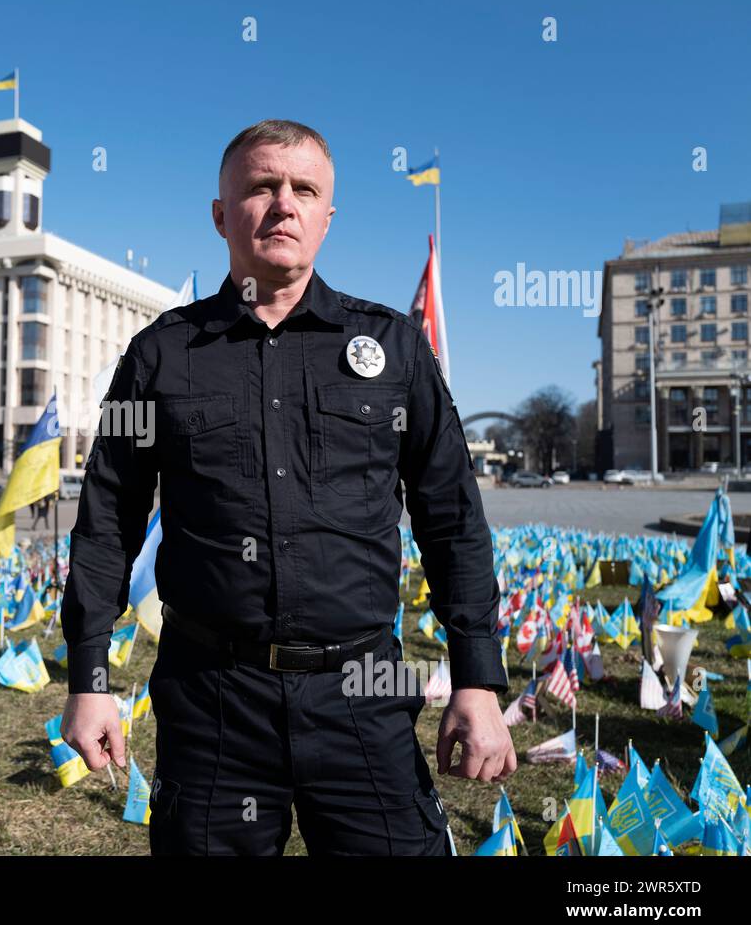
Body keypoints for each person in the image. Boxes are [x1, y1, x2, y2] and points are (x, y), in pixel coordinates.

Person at [60, 120, 515, 856]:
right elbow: (108, 518)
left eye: (304, 190)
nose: (284, 205)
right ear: (220, 213)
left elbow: (453, 518)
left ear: (327, 216)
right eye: (261, 187)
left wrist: (477, 680)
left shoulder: (395, 347)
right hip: (211, 697)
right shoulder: (156, 358)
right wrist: (89, 678)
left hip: (363, 688)